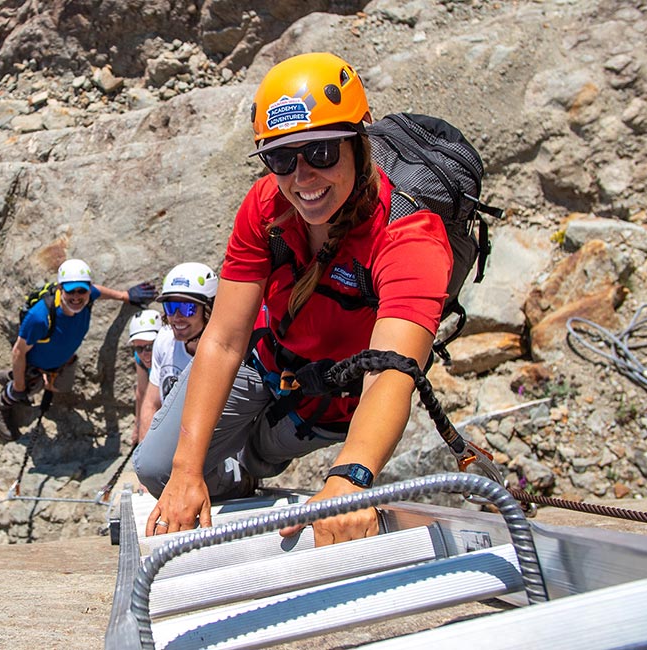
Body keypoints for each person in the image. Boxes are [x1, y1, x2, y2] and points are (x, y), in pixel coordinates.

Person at [134, 53, 452, 547]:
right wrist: (186, 471)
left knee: (261, 451)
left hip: (333, 397)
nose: (302, 177)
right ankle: (234, 471)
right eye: (282, 158)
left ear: (358, 142)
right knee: (157, 468)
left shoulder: (409, 236)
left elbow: (391, 369)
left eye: (321, 152)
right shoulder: (266, 206)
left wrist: (350, 479)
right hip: (266, 360)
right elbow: (223, 339)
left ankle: (251, 465)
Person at [0, 258, 157, 441]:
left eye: (81, 291)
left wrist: (125, 296)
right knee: (25, 390)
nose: (77, 297)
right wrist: (19, 385)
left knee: (63, 387)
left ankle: (11, 376)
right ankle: (2, 402)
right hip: (36, 363)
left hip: (63, 360)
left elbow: (98, 291)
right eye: (70, 291)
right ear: (60, 289)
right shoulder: (40, 317)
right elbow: (18, 351)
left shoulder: (89, 296)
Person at [135, 263, 219, 444]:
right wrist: (145, 450)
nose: (177, 317)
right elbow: (151, 403)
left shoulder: (223, 356)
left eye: (188, 307)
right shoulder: (164, 340)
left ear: (209, 309)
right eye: (171, 307)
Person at [126, 309, 162, 444]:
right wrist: (138, 425)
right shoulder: (139, 358)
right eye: (139, 349)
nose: (144, 354)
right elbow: (142, 391)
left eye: (149, 347)